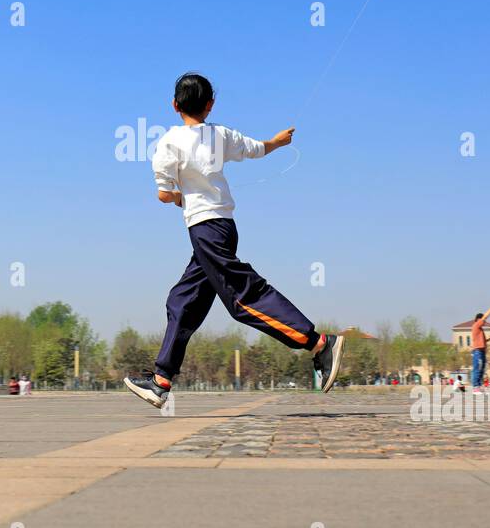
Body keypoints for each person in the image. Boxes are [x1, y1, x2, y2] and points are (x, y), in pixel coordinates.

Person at [124, 73, 344, 409]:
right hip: (223, 227)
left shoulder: (169, 142)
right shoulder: (221, 135)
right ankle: (161, 380)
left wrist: (181, 197)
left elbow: (163, 194)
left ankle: (318, 343)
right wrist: (277, 142)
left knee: (243, 298)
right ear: (210, 105)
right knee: (182, 301)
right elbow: (257, 149)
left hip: (205, 229)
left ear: (174, 105)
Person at [470, 304, 490, 395]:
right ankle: (475, 388)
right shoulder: (476, 325)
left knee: (481, 369)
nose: (484, 322)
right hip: (477, 352)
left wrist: (489, 339)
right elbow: (485, 316)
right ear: (478, 319)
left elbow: (482, 341)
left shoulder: (480, 329)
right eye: (483, 320)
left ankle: (480, 387)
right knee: (477, 369)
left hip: (482, 351)